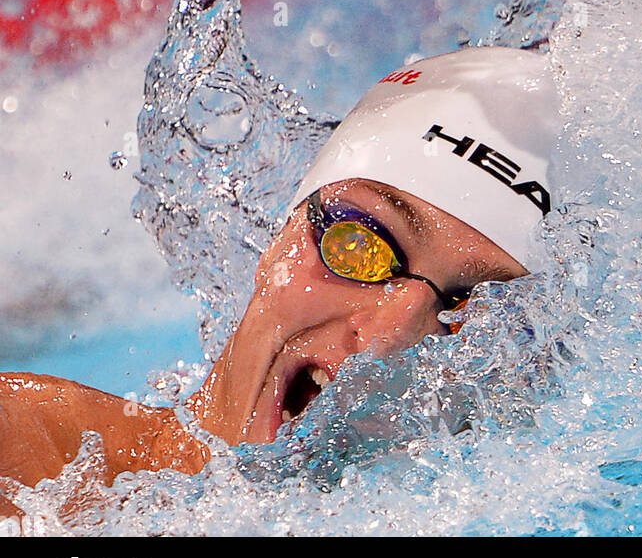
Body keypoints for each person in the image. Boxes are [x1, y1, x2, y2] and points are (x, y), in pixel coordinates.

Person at [0, 46, 558, 516]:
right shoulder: (34, 460)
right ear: (282, 235)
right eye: (362, 246)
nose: (387, 337)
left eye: (471, 309)